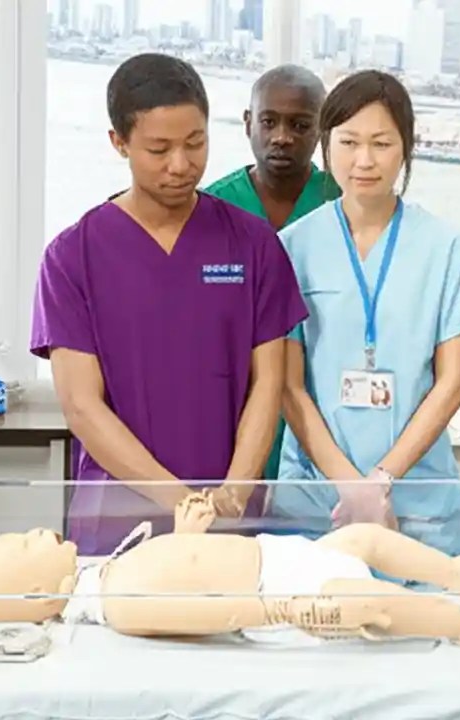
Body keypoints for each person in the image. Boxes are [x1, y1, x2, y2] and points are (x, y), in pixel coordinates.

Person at [30, 53, 308, 555]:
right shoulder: (73, 256)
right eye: (159, 149)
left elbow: (269, 381)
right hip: (116, 524)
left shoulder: (252, 244)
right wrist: (182, 501)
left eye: (195, 143)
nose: (181, 165)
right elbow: (82, 407)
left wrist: (235, 489)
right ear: (119, 143)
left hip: (228, 517)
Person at [270, 70, 460, 556]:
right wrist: (351, 488)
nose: (365, 160)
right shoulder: (292, 248)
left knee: (429, 622)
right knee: (310, 623)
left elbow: (451, 384)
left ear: (406, 148)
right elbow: (288, 387)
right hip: (318, 499)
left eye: (382, 143)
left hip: (417, 502)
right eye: (349, 142)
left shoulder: (447, 250)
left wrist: (380, 481)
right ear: (326, 144)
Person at [0, 492, 460, 644]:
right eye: (21, 544)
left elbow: (180, 571)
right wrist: (281, 610)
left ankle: (455, 572)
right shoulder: (118, 605)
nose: (33, 530)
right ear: (40, 596)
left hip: (281, 555)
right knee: (368, 603)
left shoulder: (105, 570)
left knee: (365, 538)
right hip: (279, 593)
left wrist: (186, 538)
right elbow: (211, 612)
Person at [205, 64, 341, 481]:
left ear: (320, 131)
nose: (282, 136)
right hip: (230, 402)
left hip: (321, 405)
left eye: (300, 125)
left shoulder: (342, 204)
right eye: (269, 121)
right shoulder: (211, 210)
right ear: (248, 123)